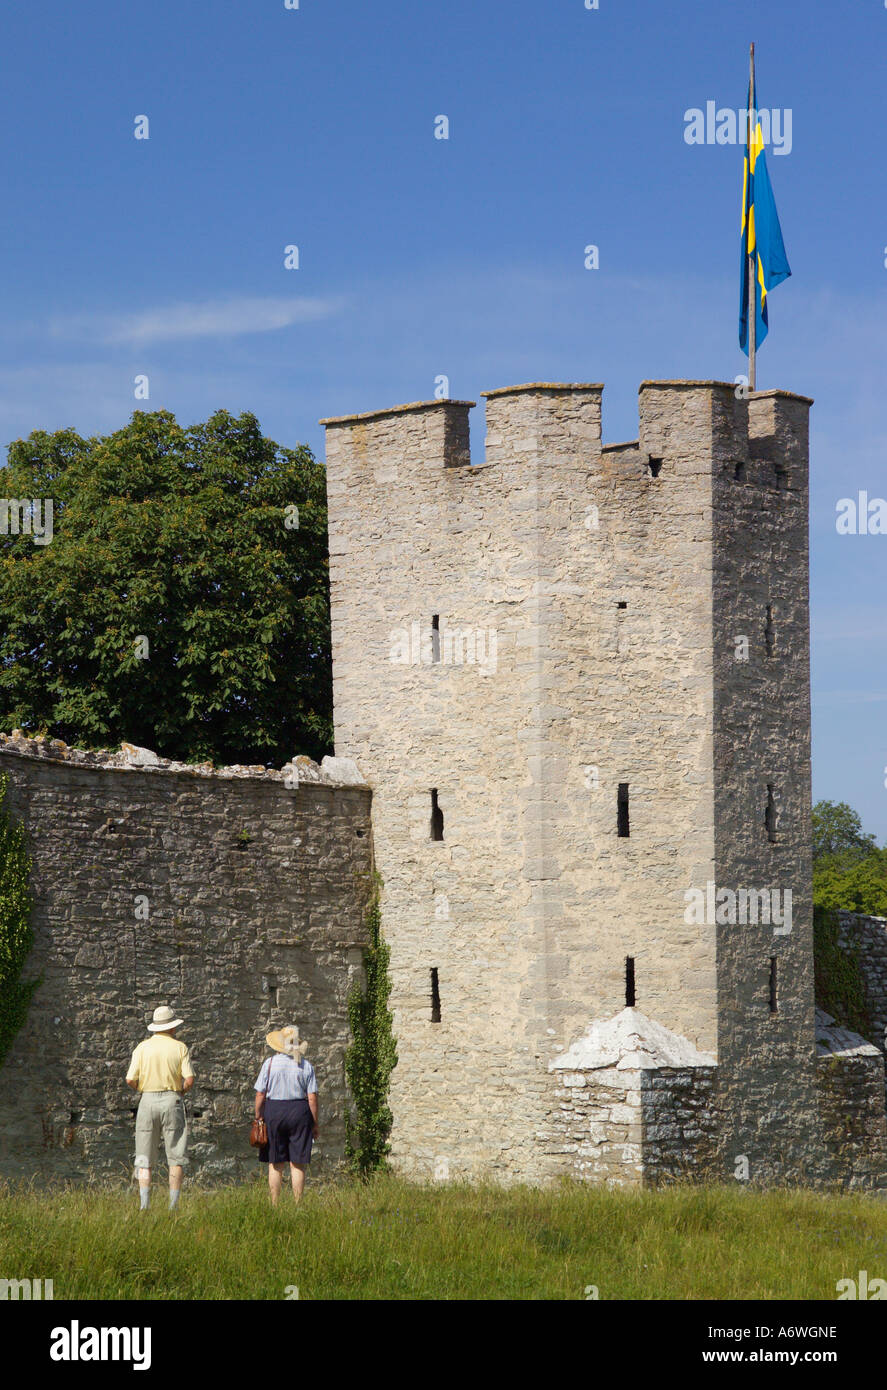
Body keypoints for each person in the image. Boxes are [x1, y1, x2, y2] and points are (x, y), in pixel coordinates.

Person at [126, 1005, 194, 1211]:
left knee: (144, 1155)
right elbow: (189, 1079)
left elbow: (130, 1079)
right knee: (175, 1155)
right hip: (172, 1099)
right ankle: (173, 1205)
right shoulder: (179, 1047)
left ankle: (144, 1204)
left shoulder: (142, 1048)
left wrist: (143, 1090)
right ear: (172, 1027)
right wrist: (179, 1092)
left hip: (147, 1099)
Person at [254, 1025, 318, 1205]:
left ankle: (275, 1204)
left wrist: (258, 1115)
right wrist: (314, 1123)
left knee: (275, 1162)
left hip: (274, 1111)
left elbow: (260, 1094)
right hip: (299, 1110)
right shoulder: (306, 1065)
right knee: (297, 1163)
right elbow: (312, 1098)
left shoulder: (270, 1064)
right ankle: (298, 1204)